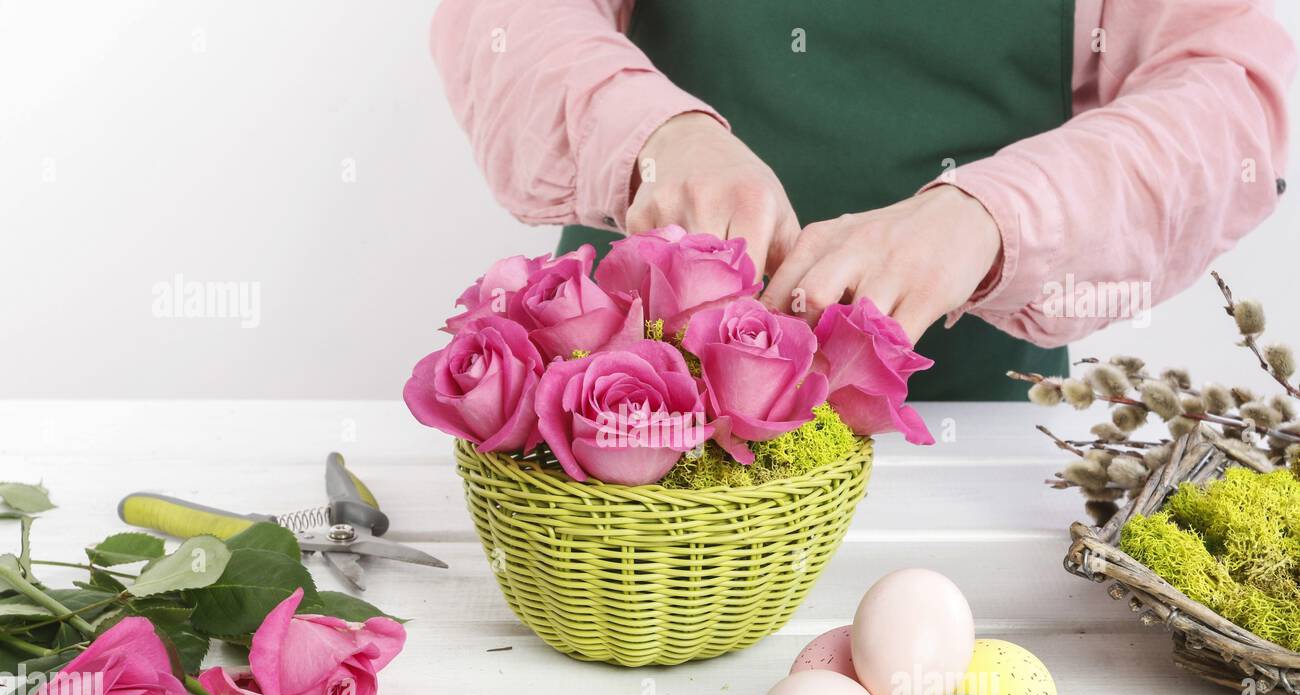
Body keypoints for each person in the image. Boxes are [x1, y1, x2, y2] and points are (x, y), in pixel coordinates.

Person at [432, 0, 1294, 399]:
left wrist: (993, 217)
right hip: (627, 402)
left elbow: (1231, 92)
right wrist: (655, 135)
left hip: (955, 418)